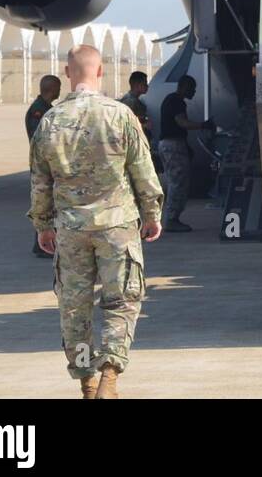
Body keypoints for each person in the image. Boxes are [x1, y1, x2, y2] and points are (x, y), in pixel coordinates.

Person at [28, 45, 163, 399]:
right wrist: (152, 214)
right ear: (100, 71)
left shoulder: (50, 121)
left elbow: (40, 180)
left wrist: (43, 224)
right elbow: (143, 171)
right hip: (117, 226)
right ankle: (110, 376)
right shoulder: (120, 115)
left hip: (71, 229)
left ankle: (87, 385)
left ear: (68, 73)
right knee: (121, 302)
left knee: (75, 306)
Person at [158, 75, 213, 233]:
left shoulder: (171, 100)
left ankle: (171, 218)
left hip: (171, 144)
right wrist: (203, 125)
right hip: (172, 145)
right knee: (178, 183)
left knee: (175, 181)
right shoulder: (176, 102)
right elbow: (182, 123)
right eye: (192, 88)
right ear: (184, 87)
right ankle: (171, 220)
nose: (194, 91)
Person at [25, 75, 61, 259]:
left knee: (50, 204)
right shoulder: (38, 111)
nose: (60, 91)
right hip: (43, 166)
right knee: (44, 205)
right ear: (52, 89)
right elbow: (39, 139)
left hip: (48, 165)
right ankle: (42, 245)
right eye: (58, 87)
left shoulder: (47, 109)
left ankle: (46, 243)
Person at [119, 71, 152, 139]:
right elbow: (125, 124)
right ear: (137, 85)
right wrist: (143, 126)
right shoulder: (130, 101)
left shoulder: (135, 101)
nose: (147, 86)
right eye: (144, 83)